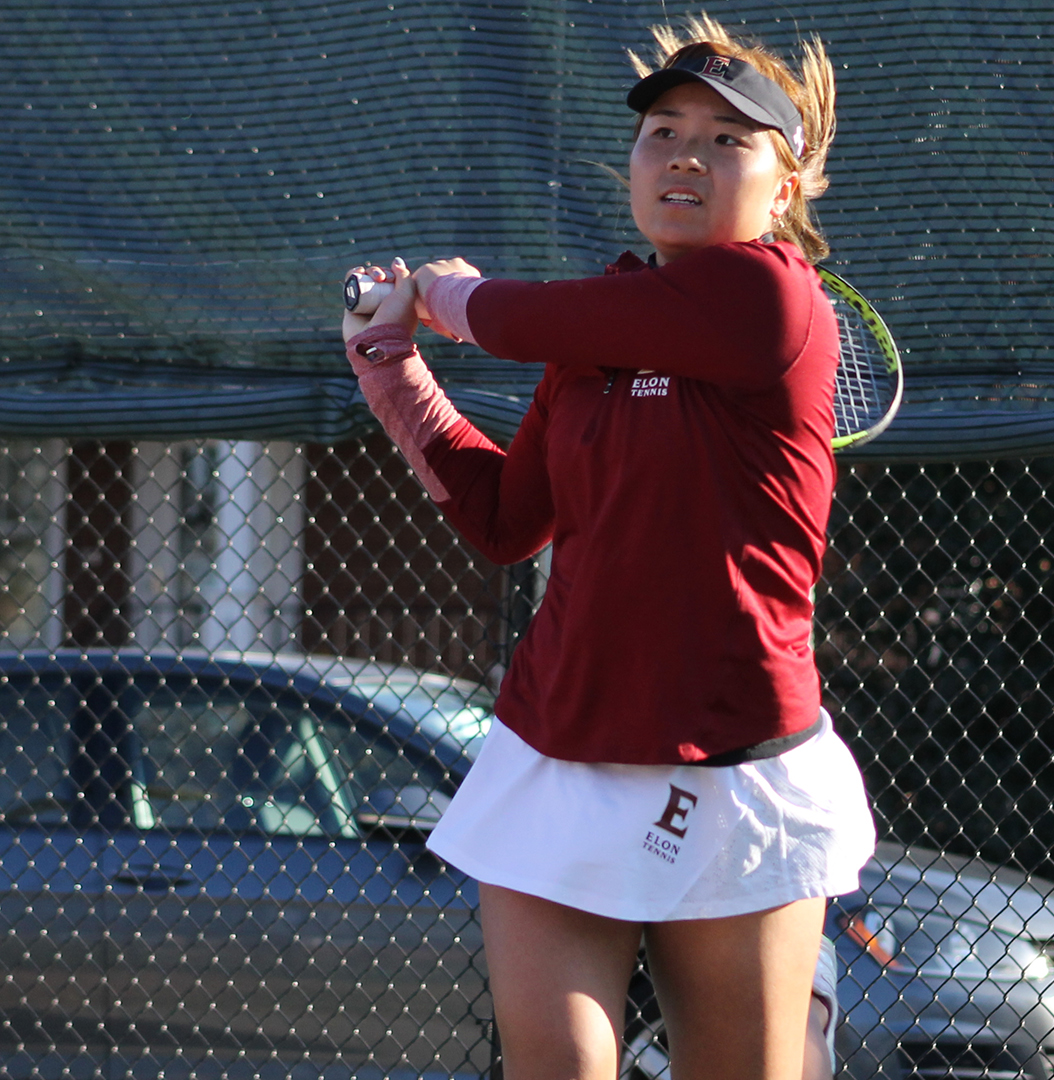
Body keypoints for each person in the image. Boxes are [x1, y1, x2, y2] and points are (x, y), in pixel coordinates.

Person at [338, 16, 874, 1080]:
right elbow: (505, 520)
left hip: (737, 767)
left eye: (727, 140)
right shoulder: (596, 340)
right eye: (663, 132)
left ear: (785, 187)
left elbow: (513, 319)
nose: (686, 155)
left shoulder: (774, 299)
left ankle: (804, 1025)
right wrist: (390, 366)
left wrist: (443, 296)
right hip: (559, 752)